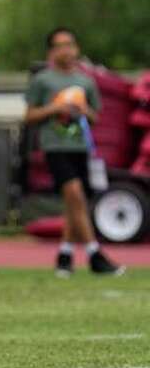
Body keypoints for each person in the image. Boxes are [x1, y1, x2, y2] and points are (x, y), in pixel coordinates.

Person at [23, 27, 124, 278]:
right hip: (55, 146)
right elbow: (29, 116)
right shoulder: (43, 80)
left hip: (80, 146)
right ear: (51, 51)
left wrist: (82, 111)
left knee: (73, 203)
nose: (66, 50)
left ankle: (65, 254)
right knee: (75, 194)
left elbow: (95, 117)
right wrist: (55, 108)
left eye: (70, 44)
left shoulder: (85, 81)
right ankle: (94, 253)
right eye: (60, 45)